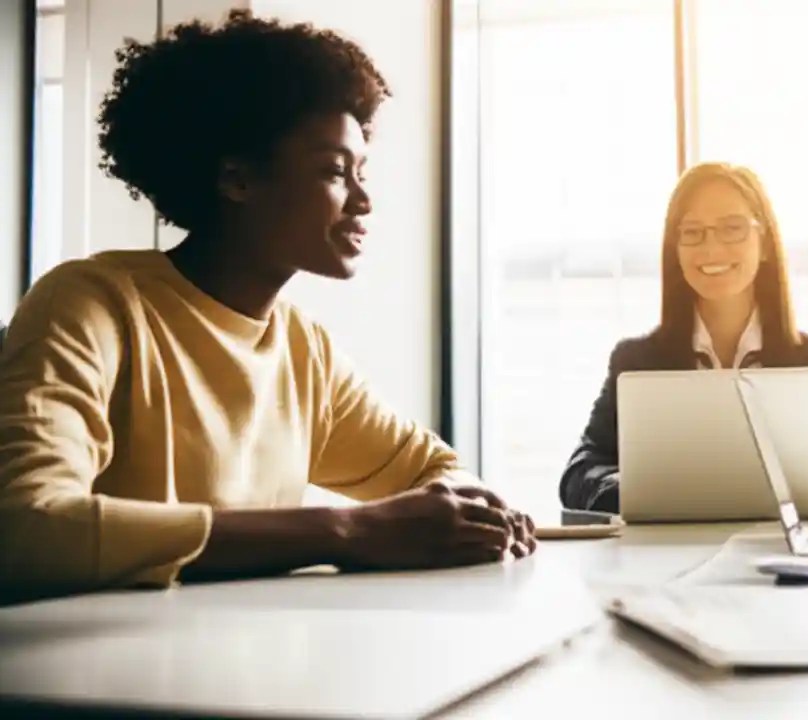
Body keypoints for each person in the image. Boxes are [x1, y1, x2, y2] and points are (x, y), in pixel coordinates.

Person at [0, 11, 535, 599]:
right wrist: (345, 530)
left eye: (361, 171)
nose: (364, 200)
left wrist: (466, 516)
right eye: (334, 171)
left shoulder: (304, 349)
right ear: (236, 180)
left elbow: (439, 471)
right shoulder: (91, 304)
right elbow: (28, 527)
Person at [560, 162, 808, 513]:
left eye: (733, 228)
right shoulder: (636, 362)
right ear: (675, 248)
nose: (711, 248)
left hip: (783, 556)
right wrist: (640, 488)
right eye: (693, 232)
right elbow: (579, 474)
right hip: (663, 556)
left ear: (766, 244)